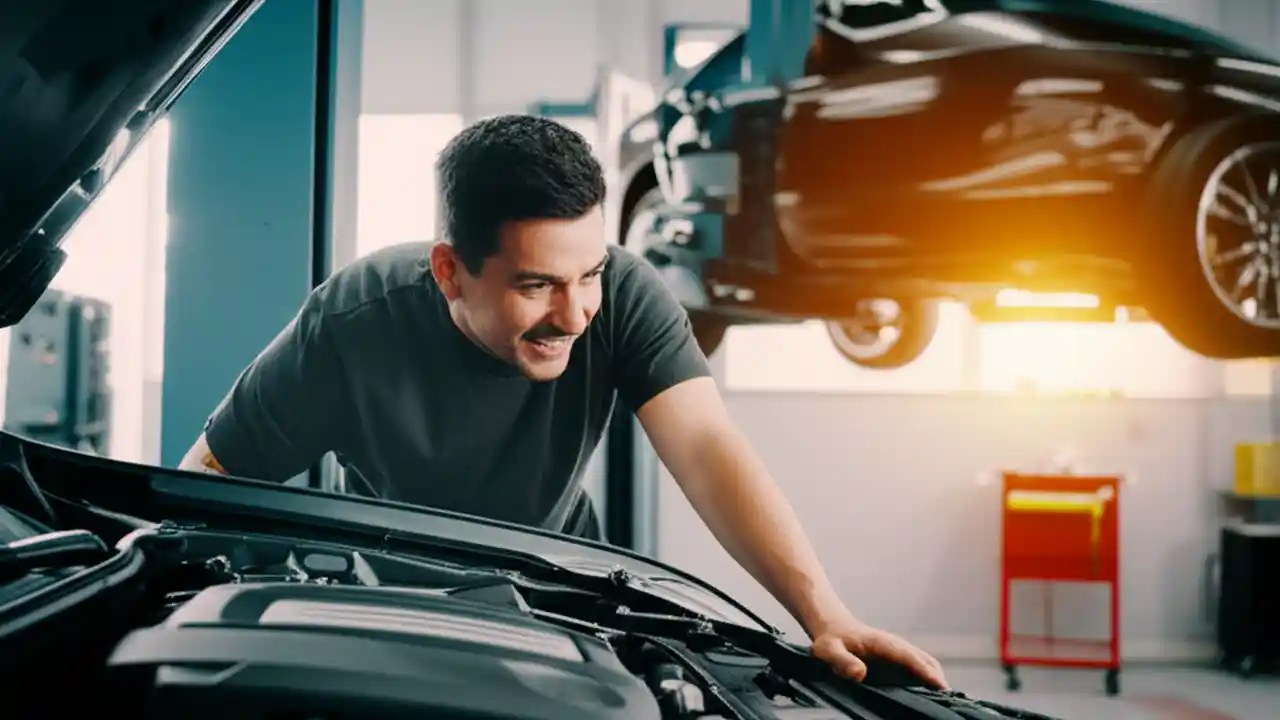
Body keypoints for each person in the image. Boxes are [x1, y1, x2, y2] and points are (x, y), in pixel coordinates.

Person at [178, 114, 948, 690]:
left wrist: (825, 614)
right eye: (535, 284)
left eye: (589, 274)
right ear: (449, 271)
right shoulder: (353, 320)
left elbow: (710, 451)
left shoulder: (625, 296)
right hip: (395, 607)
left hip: (559, 595)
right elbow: (209, 477)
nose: (576, 313)